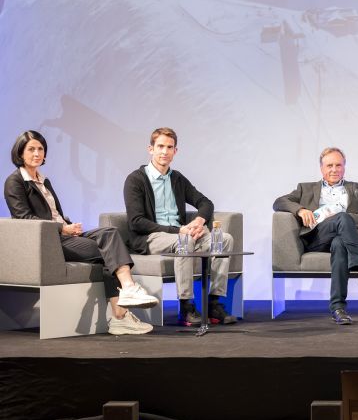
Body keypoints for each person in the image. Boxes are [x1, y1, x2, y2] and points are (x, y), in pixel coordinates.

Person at [4, 130, 158, 335]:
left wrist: (69, 225)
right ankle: (122, 309)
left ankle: (125, 302)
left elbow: (54, 213)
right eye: (31, 149)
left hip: (64, 233)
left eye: (40, 149)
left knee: (110, 233)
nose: (37, 153)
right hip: (49, 240)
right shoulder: (14, 182)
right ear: (20, 153)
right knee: (108, 252)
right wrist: (61, 228)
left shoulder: (44, 180)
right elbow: (23, 219)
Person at [123, 127, 237, 326]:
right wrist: (180, 231)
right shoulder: (136, 179)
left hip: (182, 234)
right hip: (152, 237)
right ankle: (186, 306)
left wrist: (198, 221)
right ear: (150, 149)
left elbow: (205, 202)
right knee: (184, 241)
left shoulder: (177, 179)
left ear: (176, 151)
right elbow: (136, 222)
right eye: (160, 146)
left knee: (224, 239)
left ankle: (214, 303)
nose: (164, 152)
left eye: (169, 147)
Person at [273, 147, 358, 325]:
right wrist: (300, 209)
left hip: (344, 237)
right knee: (341, 219)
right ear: (321, 168)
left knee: (339, 242)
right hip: (317, 237)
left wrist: (345, 219)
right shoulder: (305, 188)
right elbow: (279, 202)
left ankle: (338, 308)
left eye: (338, 165)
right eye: (330, 165)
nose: (334, 170)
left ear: (344, 167)